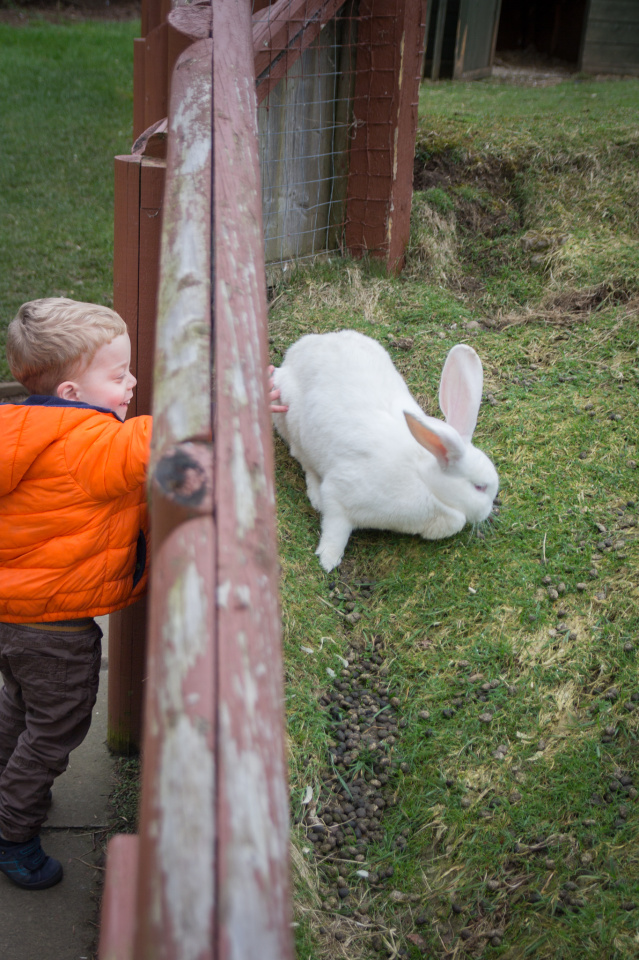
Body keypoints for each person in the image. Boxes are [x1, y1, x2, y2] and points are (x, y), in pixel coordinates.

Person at [0, 297, 286, 890]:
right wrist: (237, 400)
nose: (133, 383)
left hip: (12, 616)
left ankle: (7, 784)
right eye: (119, 373)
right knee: (56, 729)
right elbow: (160, 441)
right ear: (75, 392)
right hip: (56, 628)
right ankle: (12, 830)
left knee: (20, 709)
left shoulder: (18, 427)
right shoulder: (89, 444)